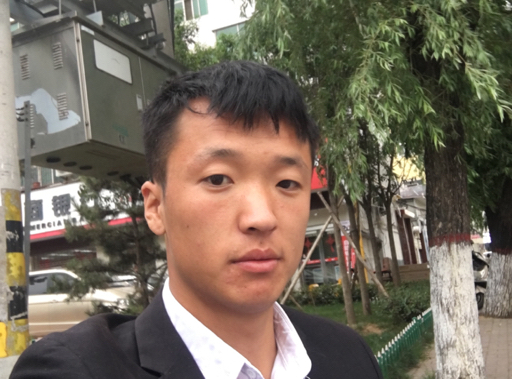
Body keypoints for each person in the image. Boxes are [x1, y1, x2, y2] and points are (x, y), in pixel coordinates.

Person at [11, 61, 383, 379]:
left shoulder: (349, 355)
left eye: (287, 183)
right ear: (156, 207)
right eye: (218, 179)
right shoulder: (74, 370)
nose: (261, 217)